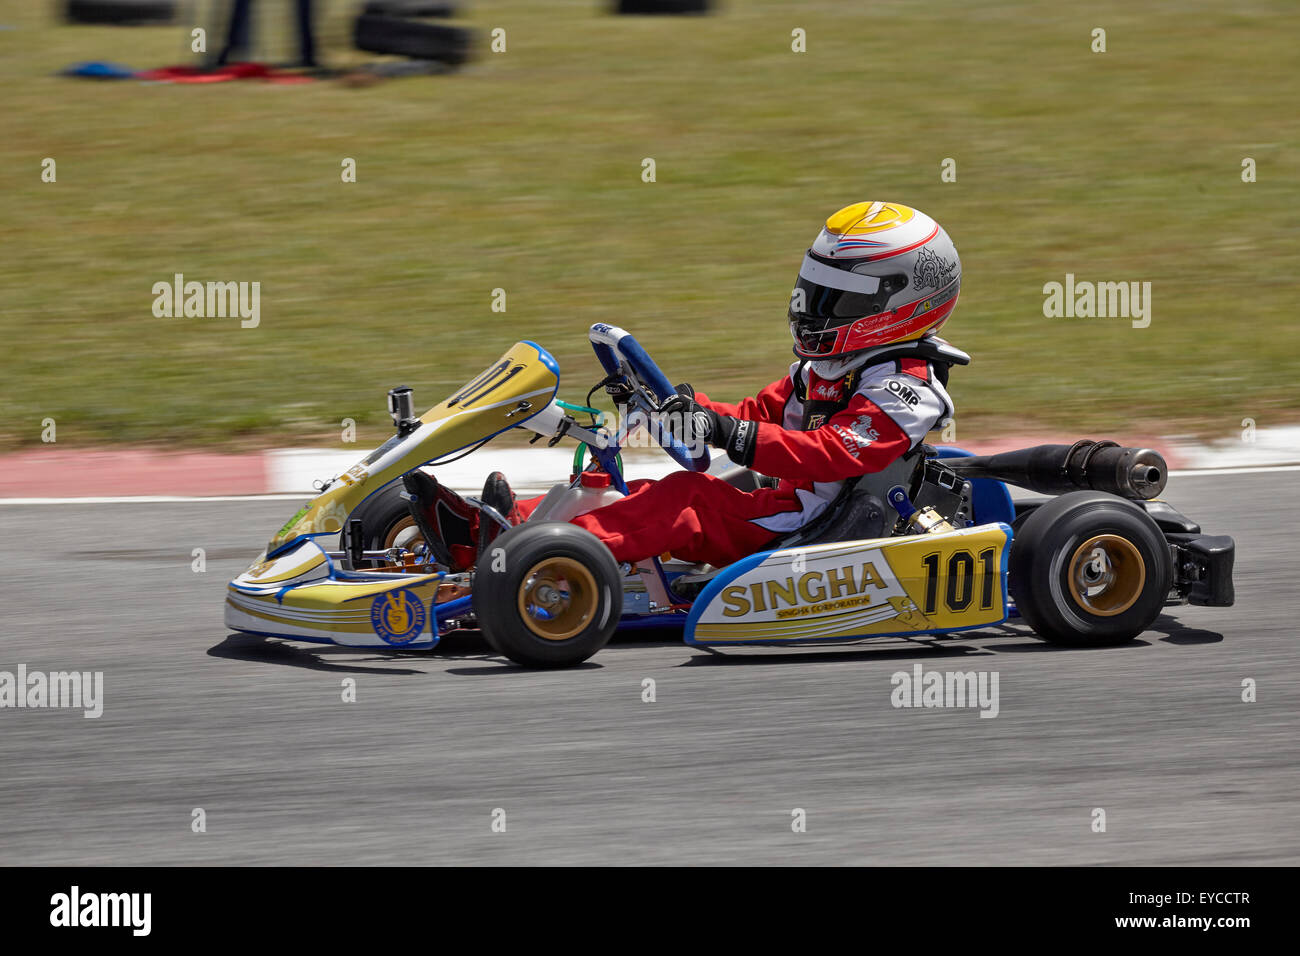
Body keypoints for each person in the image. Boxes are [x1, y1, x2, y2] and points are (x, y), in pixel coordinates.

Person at [409, 201, 967, 570]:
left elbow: (832, 453)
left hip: (813, 529)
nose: (813, 309)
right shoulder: (829, 368)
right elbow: (759, 411)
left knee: (685, 502)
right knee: (641, 487)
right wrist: (687, 407)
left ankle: (546, 559)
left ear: (897, 303)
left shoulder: (906, 388)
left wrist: (726, 430)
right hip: (781, 503)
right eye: (813, 291)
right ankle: (502, 531)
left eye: (835, 299)